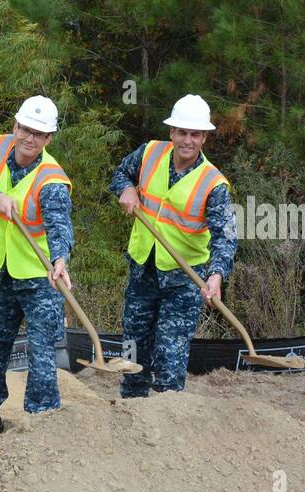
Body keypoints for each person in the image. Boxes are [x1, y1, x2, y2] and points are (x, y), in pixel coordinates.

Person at [0, 95, 73, 437]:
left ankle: (41, 425)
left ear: (48, 139)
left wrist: (61, 259)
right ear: (15, 125)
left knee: (41, 352)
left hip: (40, 278)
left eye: (38, 134)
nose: (29, 139)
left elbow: (59, 226)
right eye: (25, 129)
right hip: (3, 271)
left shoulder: (52, 180)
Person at [111, 94, 238, 398]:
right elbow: (120, 173)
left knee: (170, 350)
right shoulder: (149, 153)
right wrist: (127, 188)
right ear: (171, 132)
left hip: (184, 279)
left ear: (204, 138)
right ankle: (131, 403)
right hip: (143, 267)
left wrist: (216, 276)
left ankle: (168, 418)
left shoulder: (213, 184)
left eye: (195, 134)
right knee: (133, 342)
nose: (187, 140)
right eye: (182, 132)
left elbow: (226, 237)